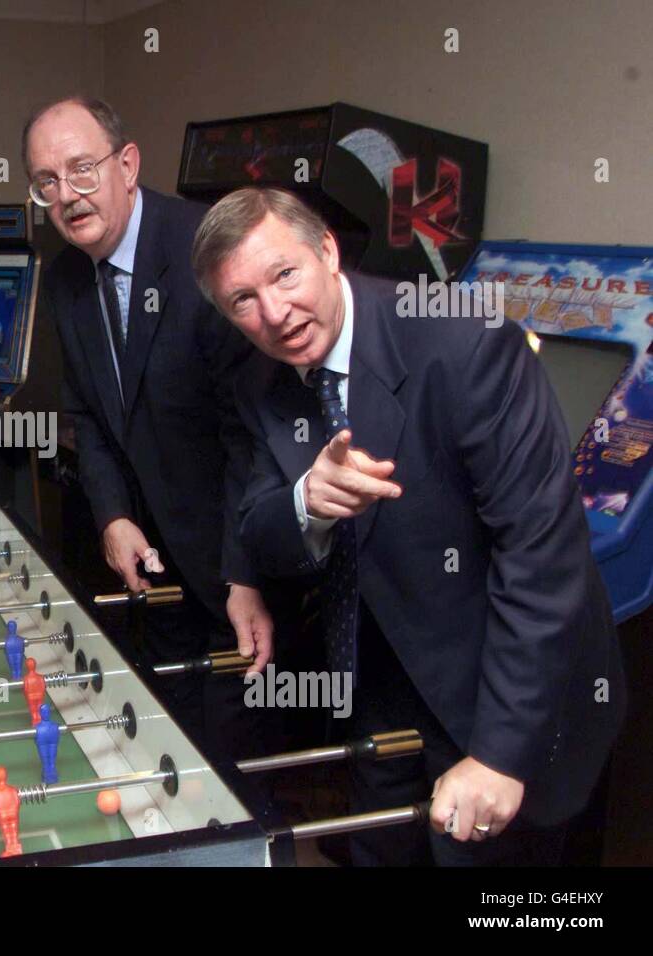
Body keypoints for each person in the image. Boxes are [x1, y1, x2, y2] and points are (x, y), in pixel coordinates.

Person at [191, 186, 626, 865]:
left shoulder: (465, 342)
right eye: (243, 300)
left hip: (502, 682)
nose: (275, 313)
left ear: (328, 250)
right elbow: (259, 525)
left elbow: (541, 557)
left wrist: (498, 755)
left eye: (285, 274)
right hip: (379, 673)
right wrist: (307, 498)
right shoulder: (259, 380)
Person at [22, 95, 274, 750]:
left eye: (82, 169)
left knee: (232, 760)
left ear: (127, 164)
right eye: (47, 181)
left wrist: (246, 575)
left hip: (241, 560)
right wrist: (113, 516)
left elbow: (257, 433)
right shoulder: (64, 277)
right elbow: (87, 411)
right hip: (159, 560)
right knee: (170, 739)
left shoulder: (208, 251)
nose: (68, 195)